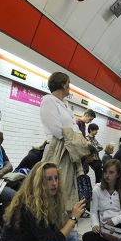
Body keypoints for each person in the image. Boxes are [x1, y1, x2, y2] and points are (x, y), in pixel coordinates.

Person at [0, 162, 85, 241]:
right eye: (48, 179)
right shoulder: (29, 205)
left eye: (56, 178)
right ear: (38, 182)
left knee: (73, 237)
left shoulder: (44, 200)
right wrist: (72, 219)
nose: (54, 183)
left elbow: (53, 234)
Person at [40, 72, 90, 211]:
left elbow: (74, 128)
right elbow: (57, 130)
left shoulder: (65, 103)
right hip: (57, 151)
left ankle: (68, 225)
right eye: (69, 83)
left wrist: (78, 138)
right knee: (57, 189)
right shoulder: (48, 101)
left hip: (70, 151)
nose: (70, 87)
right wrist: (78, 139)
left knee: (68, 190)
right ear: (63, 84)